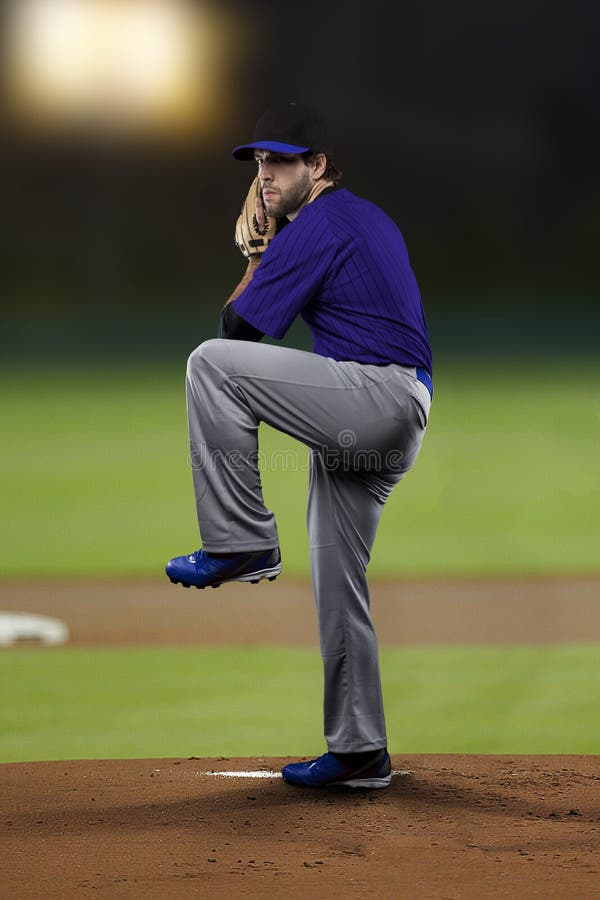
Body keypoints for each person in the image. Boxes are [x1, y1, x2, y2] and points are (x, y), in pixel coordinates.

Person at [165, 102, 433, 789]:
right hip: (385, 412)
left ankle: (241, 539)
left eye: (282, 161)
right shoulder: (350, 218)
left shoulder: (323, 220)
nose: (267, 176)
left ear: (318, 167)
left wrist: (258, 254)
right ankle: (360, 751)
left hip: (375, 397)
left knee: (207, 365)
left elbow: (237, 336)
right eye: (260, 162)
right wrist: (268, 250)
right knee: (338, 580)